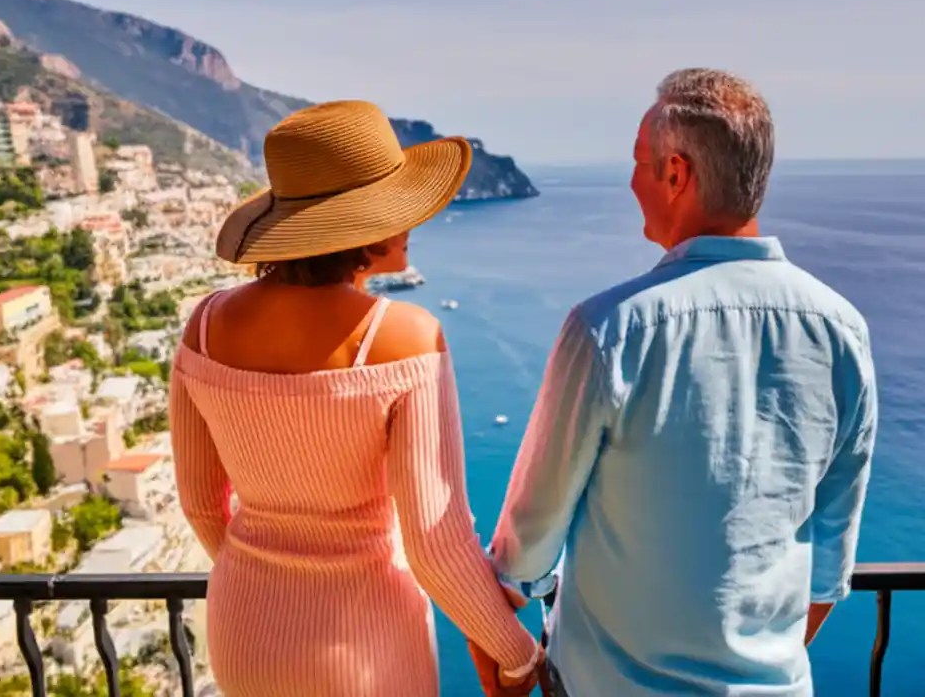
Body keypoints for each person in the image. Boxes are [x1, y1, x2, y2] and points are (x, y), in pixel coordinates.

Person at [487, 69, 880, 696]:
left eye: (637, 161)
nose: (631, 181)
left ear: (676, 173)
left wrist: (502, 633)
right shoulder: (842, 331)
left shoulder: (610, 329)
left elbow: (527, 545)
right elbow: (829, 564)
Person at [170, 100, 545, 696]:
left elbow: (201, 506)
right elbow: (435, 542)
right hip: (363, 646)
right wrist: (517, 655)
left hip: (243, 628)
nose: (410, 221)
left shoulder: (206, 325)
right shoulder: (403, 336)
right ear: (361, 226)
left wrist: (269, 586)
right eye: (397, 205)